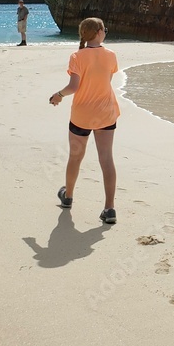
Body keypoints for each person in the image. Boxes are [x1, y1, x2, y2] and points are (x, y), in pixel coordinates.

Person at [48, 18, 120, 224]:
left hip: (82, 115)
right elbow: (107, 82)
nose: (105, 32)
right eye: (104, 29)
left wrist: (58, 95)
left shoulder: (76, 56)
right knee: (106, 159)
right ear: (98, 32)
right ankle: (109, 208)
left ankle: (68, 197)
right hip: (105, 113)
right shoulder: (111, 55)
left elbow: (74, 87)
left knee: (75, 157)